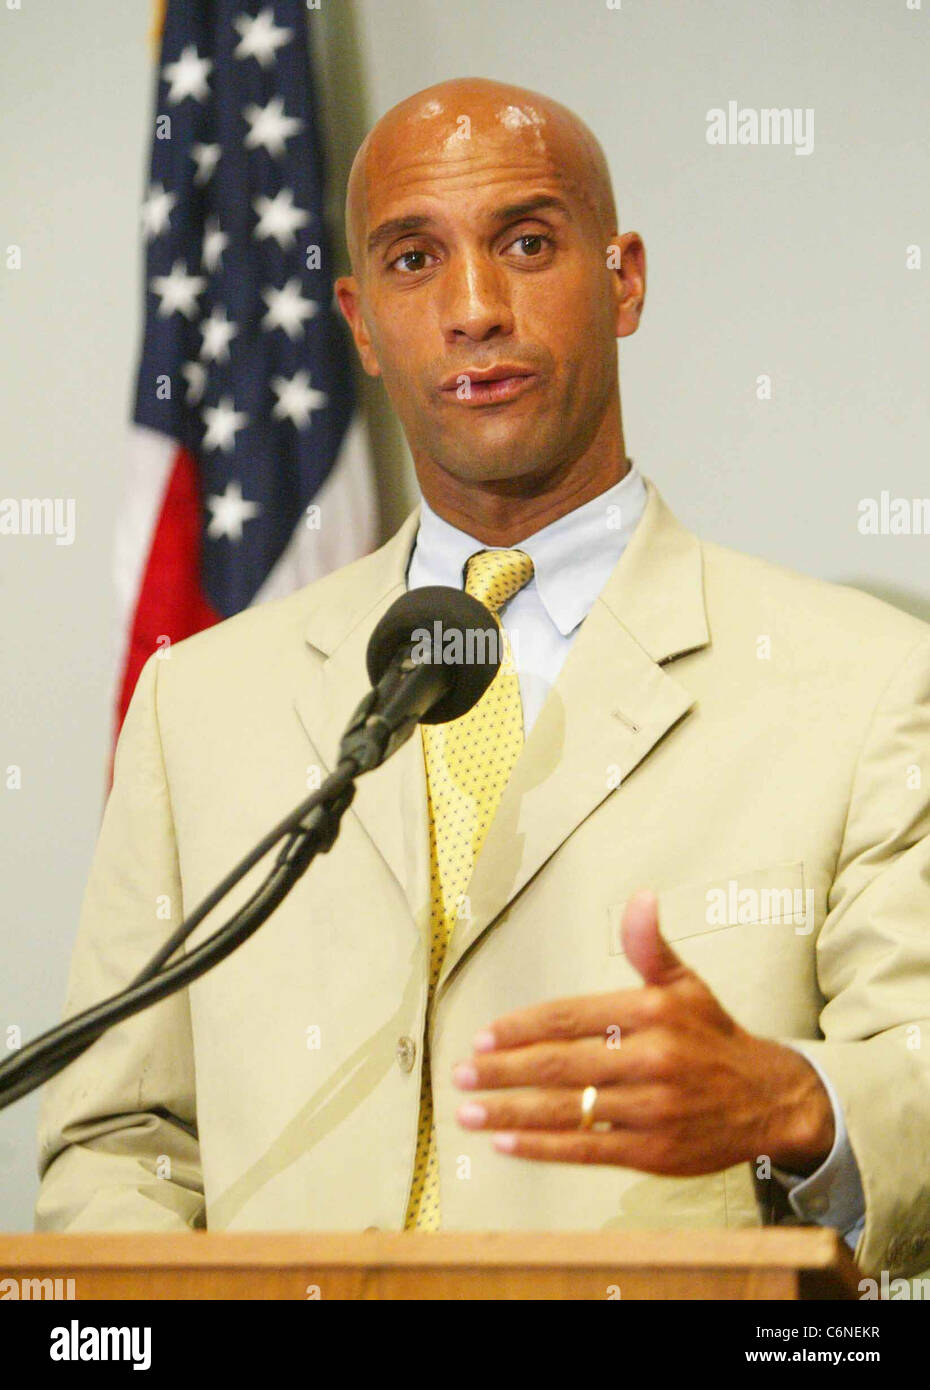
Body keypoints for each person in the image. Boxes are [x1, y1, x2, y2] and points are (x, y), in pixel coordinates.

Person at [35, 78, 930, 1278]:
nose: (473, 309)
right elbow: (120, 1140)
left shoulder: (866, 679)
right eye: (414, 259)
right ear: (357, 321)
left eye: (525, 242)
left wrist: (800, 1102)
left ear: (624, 280)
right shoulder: (196, 703)